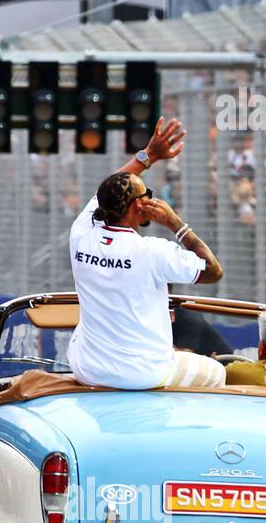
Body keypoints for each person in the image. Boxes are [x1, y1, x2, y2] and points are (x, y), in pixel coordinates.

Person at [67, 117, 226, 390]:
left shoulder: (80, 233)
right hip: (143, 375)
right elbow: (213, 271)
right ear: (139, 206)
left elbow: (108, 189)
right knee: (216, 371)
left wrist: (148, 156)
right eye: (146, 194)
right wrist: (176, 223)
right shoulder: (154, 251)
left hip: (88, 369)